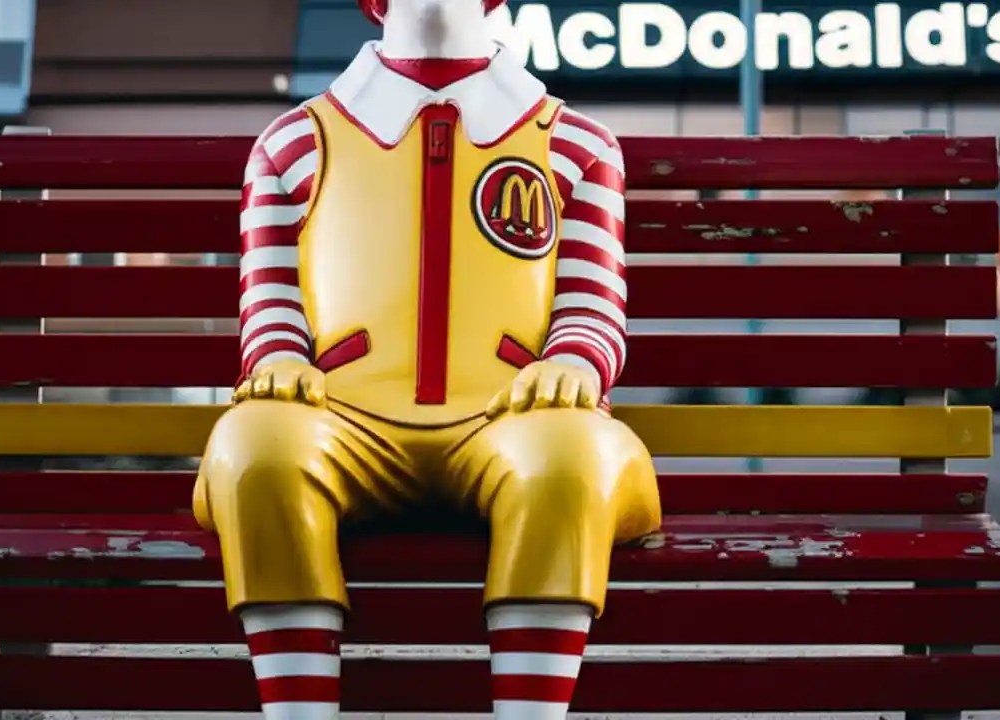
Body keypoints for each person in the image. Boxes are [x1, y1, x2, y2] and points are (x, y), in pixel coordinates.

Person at [193, 1, 661, 717]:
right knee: (256, 449)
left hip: (515, 420)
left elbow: (593, 297)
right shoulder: (294, 142)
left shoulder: (575, 141)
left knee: (570, 462)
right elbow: (271, 294)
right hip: (342, 420)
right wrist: (280, 359)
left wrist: (573, 361)